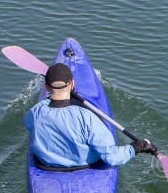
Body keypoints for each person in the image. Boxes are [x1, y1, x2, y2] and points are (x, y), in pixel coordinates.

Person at [24, 63, 156, 168]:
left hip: (46, 165)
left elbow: (28, 124)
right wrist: (137, 147)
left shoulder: (36, 112)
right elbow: (112, 158)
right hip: (84, 166)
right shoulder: (86, 117)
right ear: (72, 84)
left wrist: (51, 99)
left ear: (46, 87)